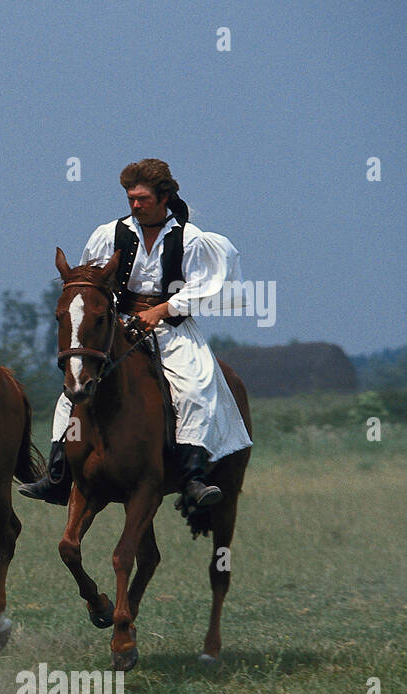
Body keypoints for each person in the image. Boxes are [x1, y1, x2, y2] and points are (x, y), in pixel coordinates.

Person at [19, 158, 253, 508]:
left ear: (164, 197)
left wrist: (162, 309)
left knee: (194, 389)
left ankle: (192, 477)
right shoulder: (108, 234)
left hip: (173, 329)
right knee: (72, 391)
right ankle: (57, 475)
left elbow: (205, 286)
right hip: (119, 327)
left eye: (142, 198)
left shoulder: (191, 239)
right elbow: (92, 281)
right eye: (131, 198)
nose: (135, 205)